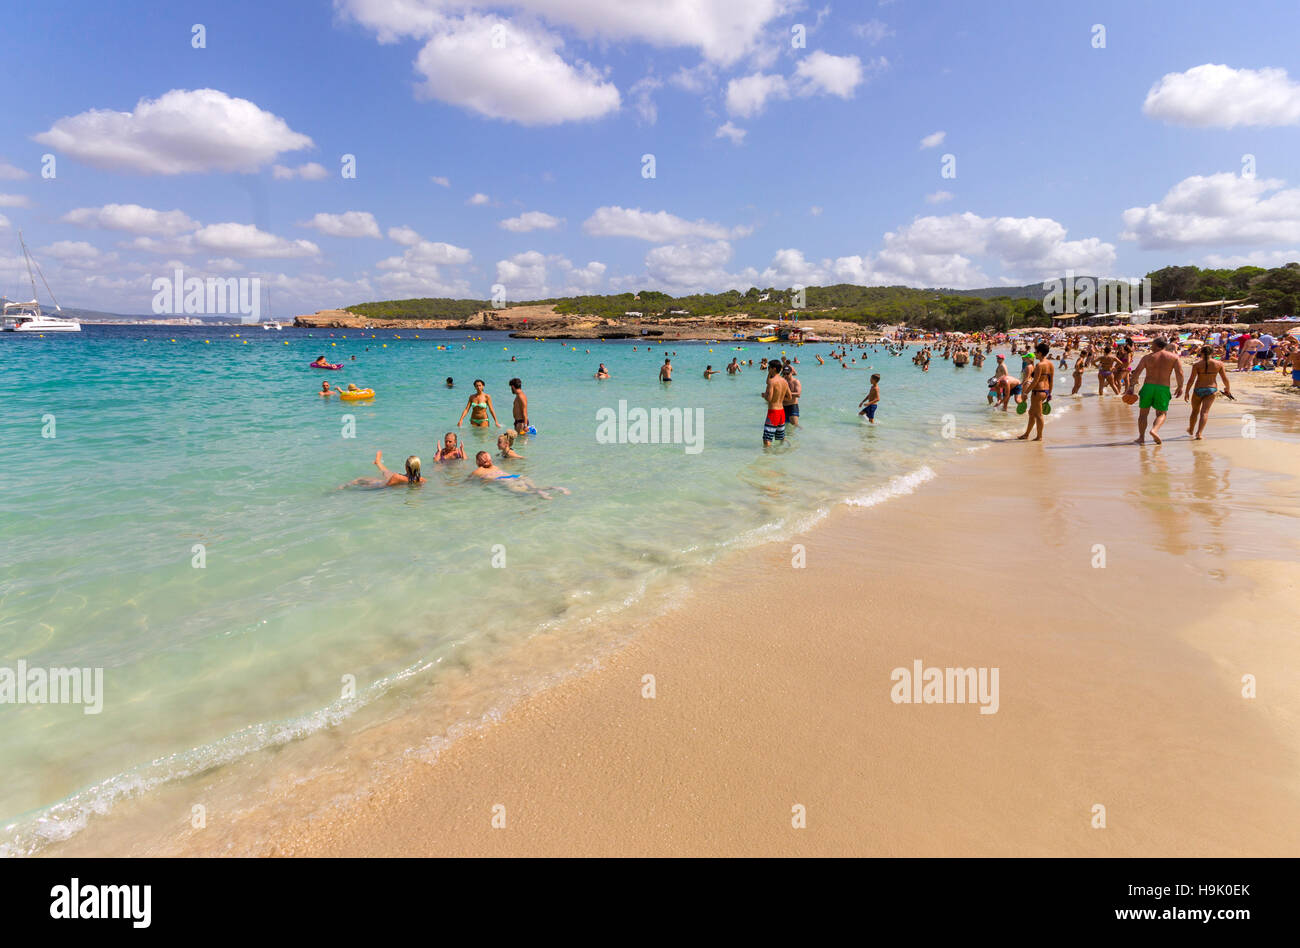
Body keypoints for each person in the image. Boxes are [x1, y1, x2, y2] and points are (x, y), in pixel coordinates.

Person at [1126, 337, 1185, 445]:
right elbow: (1180, 373)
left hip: (1148, 387)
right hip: (1163, 387)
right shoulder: (1174, 357)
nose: (1151, 346)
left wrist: (1131, 387)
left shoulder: (1147, 357)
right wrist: (1180, 386)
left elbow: (1137, 372)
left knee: (1143, 414)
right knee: (1161, 413)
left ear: (1157, 345)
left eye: (1152, 344)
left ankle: (1141, 438)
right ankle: (1154, 430)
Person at [469, 451, 568, 499]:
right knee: (535, 488)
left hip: (505, 480)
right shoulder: (495, 467)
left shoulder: (479, 470)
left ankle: (541, 494)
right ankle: (555, 488)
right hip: (517, 476)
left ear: (478, 461)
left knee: (522, 492)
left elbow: (469, 480)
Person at [1185, 346, 1231, 440]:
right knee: (1204, 412)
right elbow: (1225, 378)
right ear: (1212, 353)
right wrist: (1227, 389)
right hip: (1211, 389)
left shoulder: (1197, 365)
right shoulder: (1219, 364)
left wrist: (1186, 392)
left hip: (1198, 389)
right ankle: (1199, 433)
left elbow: (1191, 380)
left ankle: (1191, 429)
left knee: (1195, 411)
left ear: (1201, 353)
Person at [1017, 342, 1054, 442]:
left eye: (1036, 352)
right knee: (1031, 413)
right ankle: (1026, 434)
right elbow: (1051, 380)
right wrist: (1049, 393)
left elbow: (1035, 381)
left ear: (1040, 353)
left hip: (1037, 391)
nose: (1035, 354)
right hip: (1045, 391)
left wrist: (1025, 393)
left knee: (1038, 415)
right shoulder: (1050, 364)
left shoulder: (1039, 365)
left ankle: (1039, 437)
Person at [343, 451, 425, 488]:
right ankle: (378, 462)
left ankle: (341, 487)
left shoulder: (397, 477)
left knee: (359, 479)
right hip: (395, 480)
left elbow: (387, 486)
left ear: (406, 467)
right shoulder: (422, 480)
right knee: (388, 473)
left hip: (381, 484)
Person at [762, 361, 790, 447]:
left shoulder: (772, 381)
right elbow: (789, 397)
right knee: (780, 437)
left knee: (767, 439)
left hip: (773, 412)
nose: (768, 370)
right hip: (781, 411)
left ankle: (768, 455)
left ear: (773, 369)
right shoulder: (784, 381)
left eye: (769, 368)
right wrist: (779, 399)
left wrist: (764, 395)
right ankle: (785, 451)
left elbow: (769, 398)